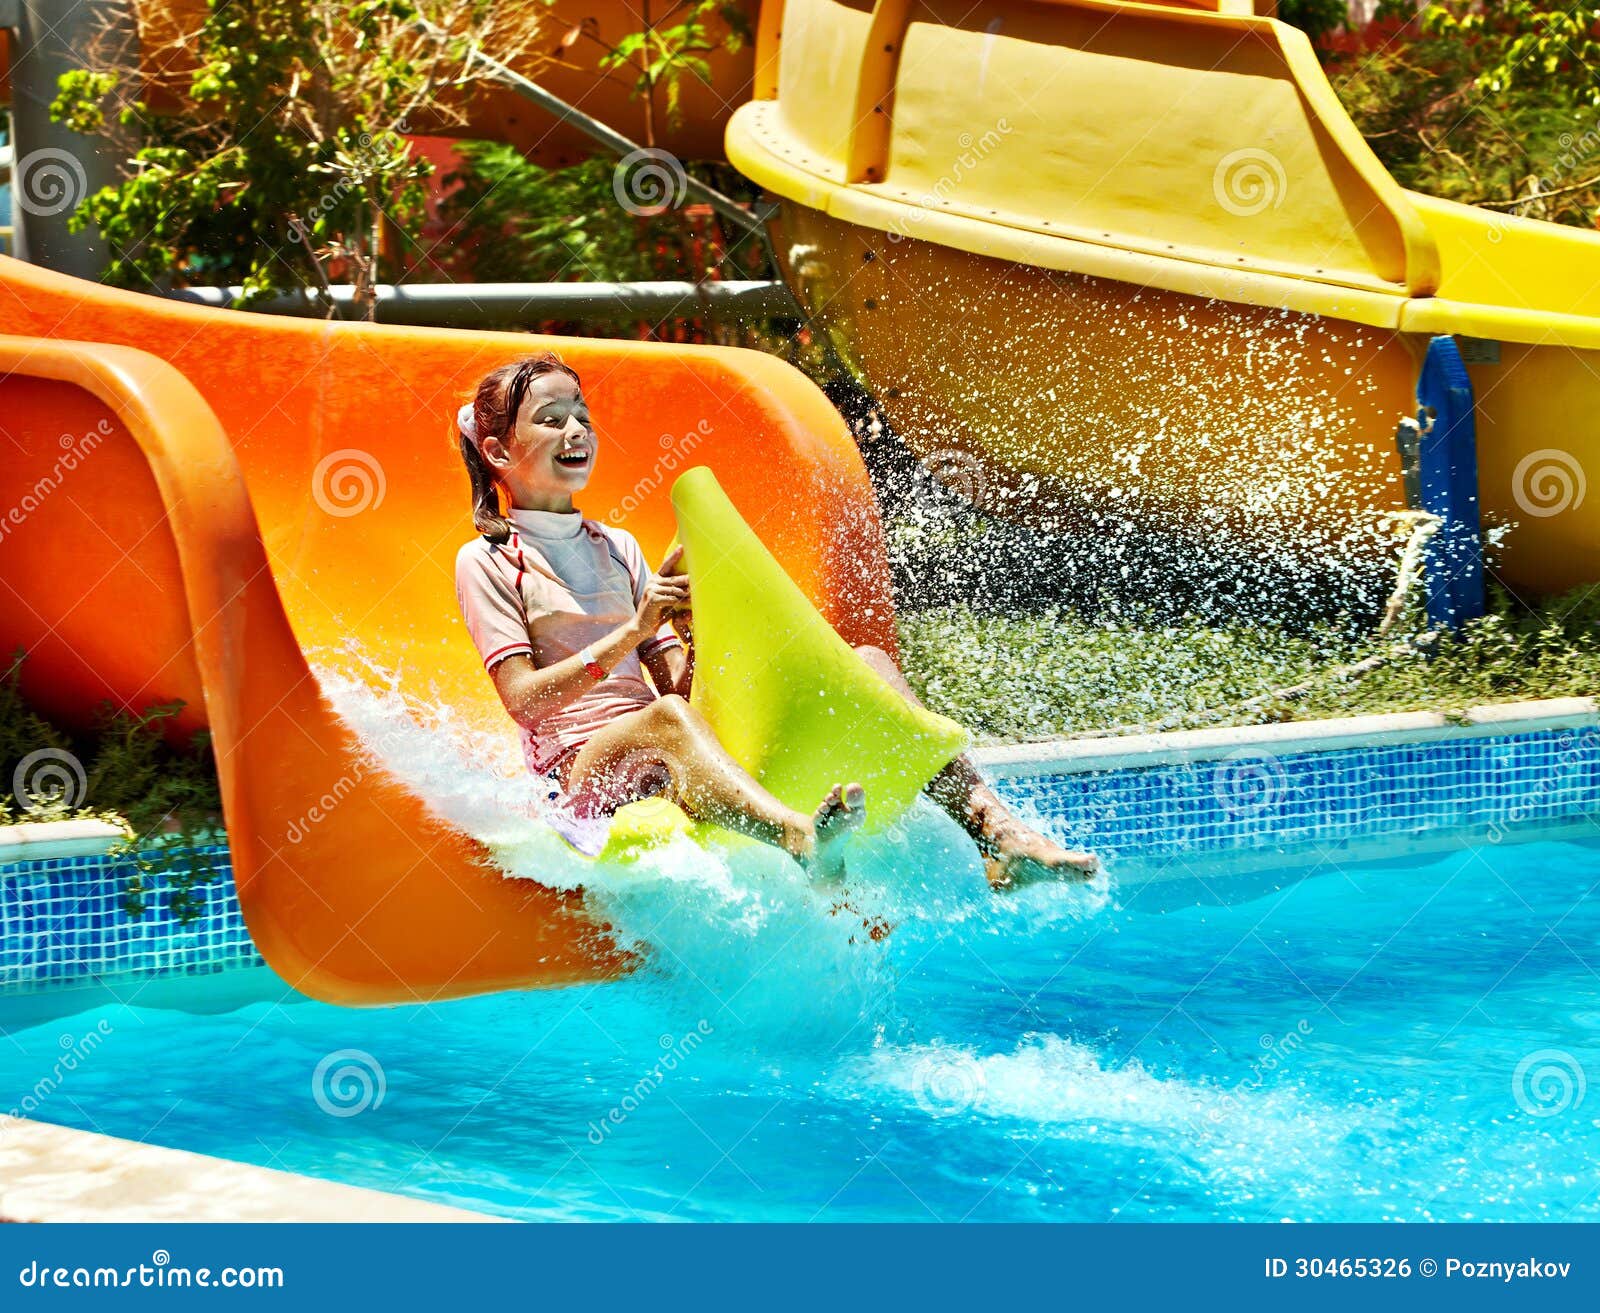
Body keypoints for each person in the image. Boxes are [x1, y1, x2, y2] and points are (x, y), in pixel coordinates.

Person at [453, 351, 1098, 888]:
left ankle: (997, 833)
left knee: (868, 664)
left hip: (660, 739)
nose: (576, 431)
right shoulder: (486, 561)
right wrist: (635, 630)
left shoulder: (617, 548)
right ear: (499, 451)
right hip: (578, 771)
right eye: (551, 420)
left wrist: (695, 632)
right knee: (667, 718)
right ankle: (799, 840)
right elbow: (522, 702)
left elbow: (680, 690)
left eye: (582, 416)